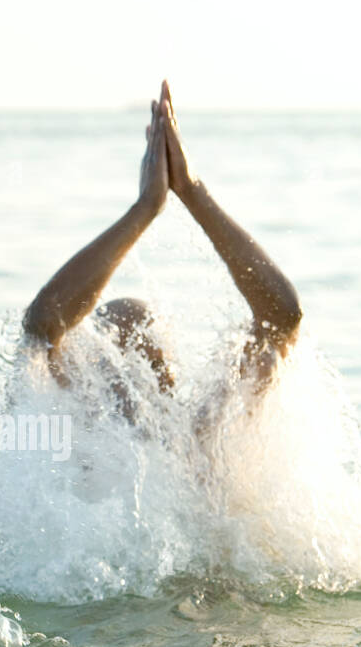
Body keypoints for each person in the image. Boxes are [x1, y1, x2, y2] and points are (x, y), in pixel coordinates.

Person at [22, 80, 302, 413]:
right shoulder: (78, 429)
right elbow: (42, 326)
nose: (128, 382)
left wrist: (191, 189)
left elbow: (282, 319)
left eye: (148, 362)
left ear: (169, 379)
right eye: (111, 364)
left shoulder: (202, 436)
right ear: (87, 378)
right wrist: (146, 208)